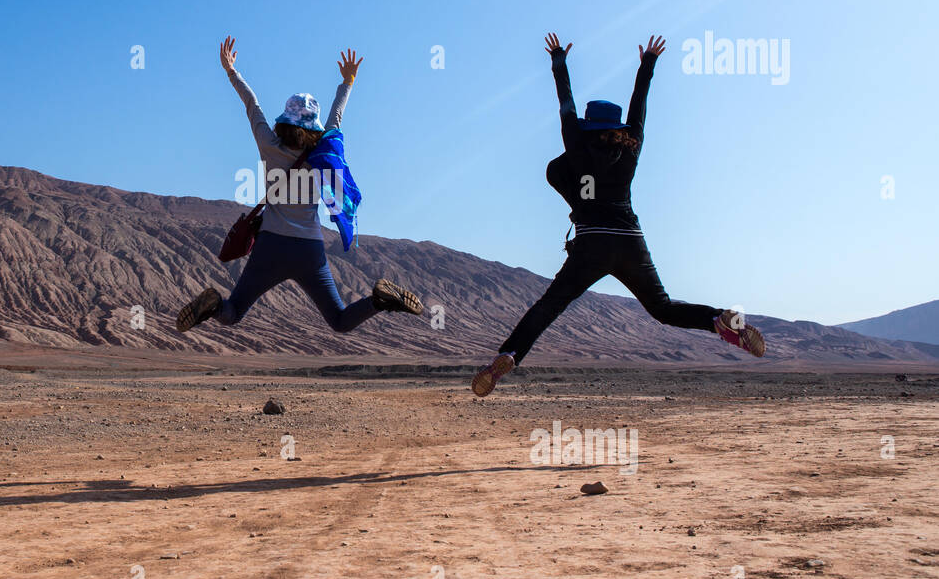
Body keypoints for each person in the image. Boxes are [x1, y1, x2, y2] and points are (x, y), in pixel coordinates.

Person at [471, 33, 765, 396]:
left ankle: (511, 354)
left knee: (549, 306)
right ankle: (718, 319)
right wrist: (647, 65)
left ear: (588, 124)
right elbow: (639, 107)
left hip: (591, 242)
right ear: (619, 128)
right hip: (630, 242)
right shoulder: (632, 148)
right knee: (663, 308)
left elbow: (565, 104)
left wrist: (559, 61)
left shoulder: (576, 148)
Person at [177, 36, 422, 334]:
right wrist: (348, 81)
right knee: (339, 320)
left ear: (284, 120)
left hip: (271, 245)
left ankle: (214, 305)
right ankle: (380, 301)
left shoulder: (268, 144)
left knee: (234, 311)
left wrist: (231, 71)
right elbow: (337, 116)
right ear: (314, 126)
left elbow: (251, 104)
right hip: (308, 249)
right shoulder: (323, 153)